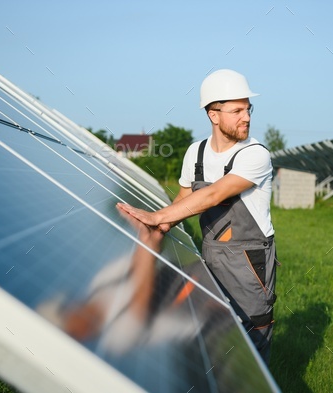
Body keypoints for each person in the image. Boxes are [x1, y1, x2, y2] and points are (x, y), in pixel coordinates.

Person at [117, 69, 278, 364]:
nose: (247, 117)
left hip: (250, 267)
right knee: (214, 345)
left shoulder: (255, 154)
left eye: (248, 109)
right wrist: (160, 225)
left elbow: (213, 195)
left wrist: (157, 216)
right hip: (212, 260)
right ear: (213, 115)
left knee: (252, 343)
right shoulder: (196, 152)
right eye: (237, 110)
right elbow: (184, 200)